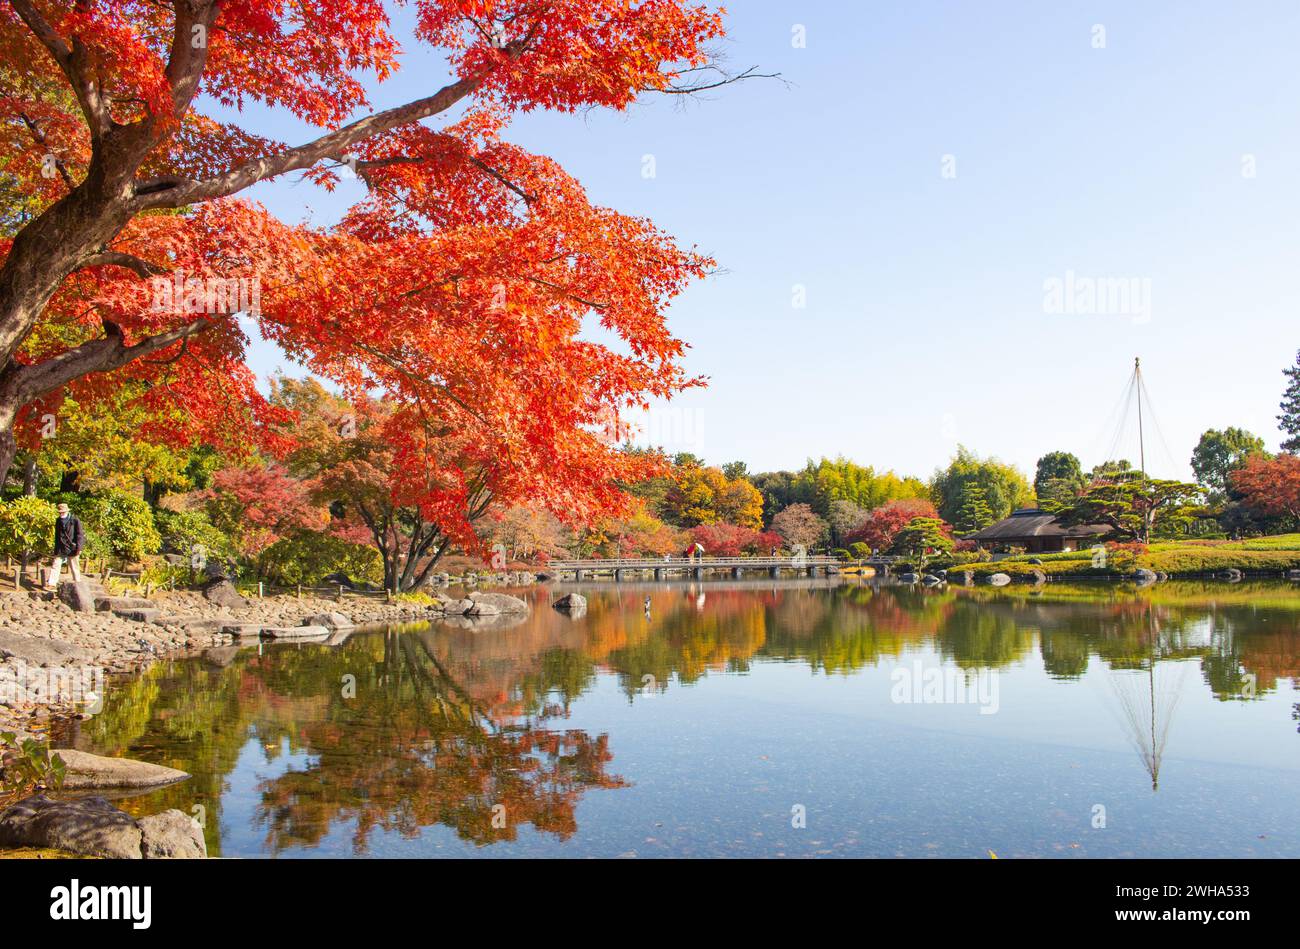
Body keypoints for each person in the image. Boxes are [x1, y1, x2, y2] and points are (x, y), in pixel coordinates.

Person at [47, 502, 84, 587]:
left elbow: (80, 534)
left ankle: (78, 584)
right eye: (60, 512)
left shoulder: (74, 520)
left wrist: (79, 548)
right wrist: (56, 549)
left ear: (67, 511)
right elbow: (57, 535)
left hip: (72, 547)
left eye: (63, 512)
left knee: (74, 566)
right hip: (60, 547)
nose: (61, 514)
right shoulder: (58, 520)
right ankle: (51, 583)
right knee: (55, 565)